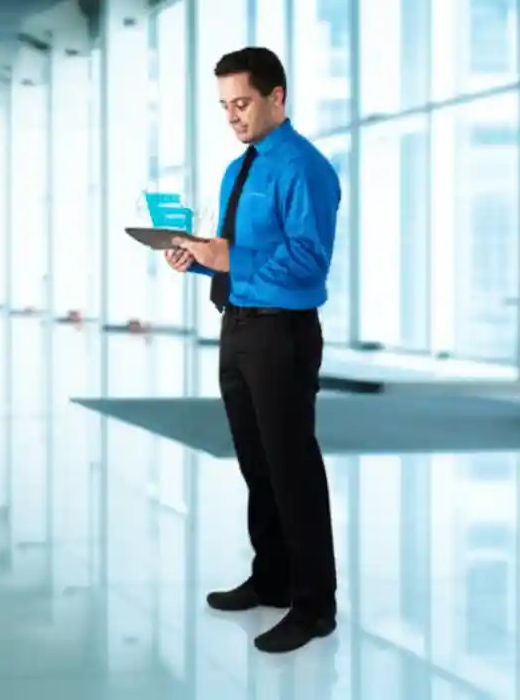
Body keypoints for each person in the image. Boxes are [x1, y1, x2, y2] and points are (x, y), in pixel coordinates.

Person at [165, 46, 340, 654]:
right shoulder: (238, 170)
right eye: (224, 106)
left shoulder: (304, 168)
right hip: (237, 325)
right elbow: (233, 253)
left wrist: (228, 258)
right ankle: (273, 579)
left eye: (241, 102)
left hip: (282, 332)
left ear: (277, 97)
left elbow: (308, 259)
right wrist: (197, 259)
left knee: (292, 465)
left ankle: (315, 605)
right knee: (256, 462)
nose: (233, 116)